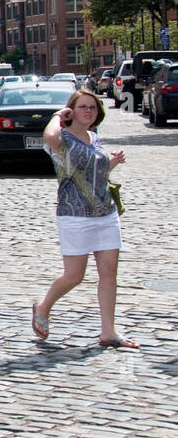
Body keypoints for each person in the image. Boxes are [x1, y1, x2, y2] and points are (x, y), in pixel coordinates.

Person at [33, 88, 135, 347]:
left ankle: (108, 331)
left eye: (92, 107)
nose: (89, 111)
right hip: (75, 215)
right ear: (72, 111)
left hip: (105, 214)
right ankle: (44, 307)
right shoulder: (63, 139)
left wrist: (111, 164)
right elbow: (48, 136)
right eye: (83, 107)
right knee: (74, 275)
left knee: (109, 274)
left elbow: (92, 173)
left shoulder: (94, 137)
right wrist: (58, 115)